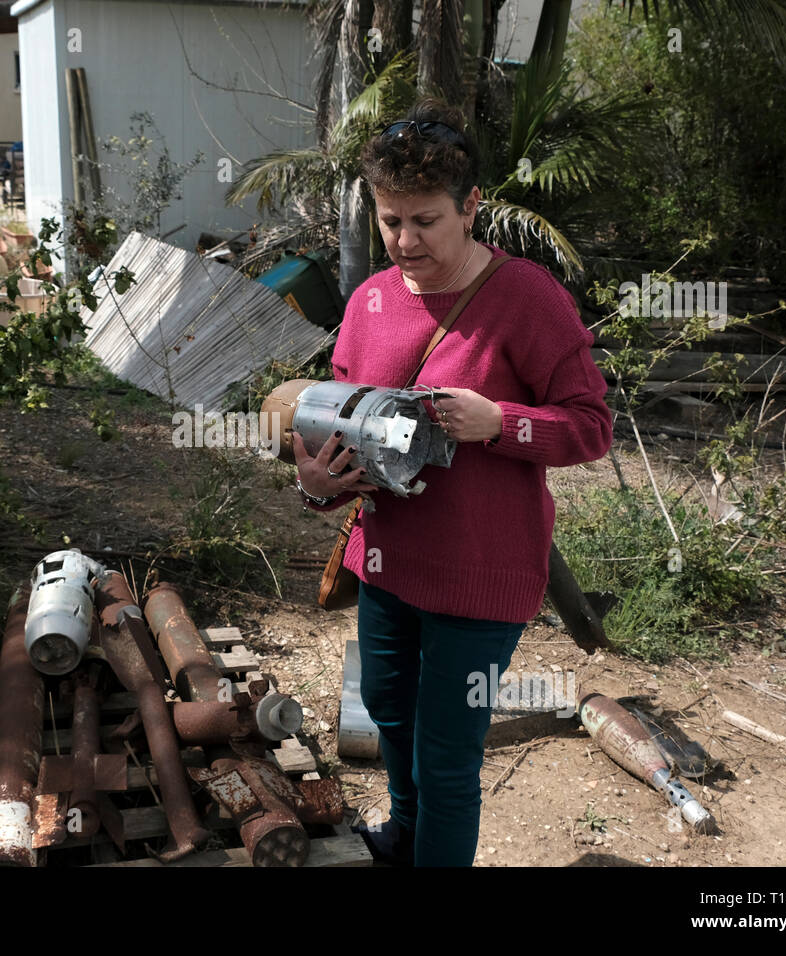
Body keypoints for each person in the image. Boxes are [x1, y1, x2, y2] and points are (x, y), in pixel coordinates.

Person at [290, 99, 613, 867]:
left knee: (446, 755)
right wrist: (315, 482)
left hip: (481, 578)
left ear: (471, 207)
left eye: (425, 220)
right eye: (390, 220)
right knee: (389, 716)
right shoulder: (369, 302)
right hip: (387, 567)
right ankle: (403, 840)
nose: (405, 241)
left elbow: (590, 427)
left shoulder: (527, 298)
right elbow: (342, 427)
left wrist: (499, 422)